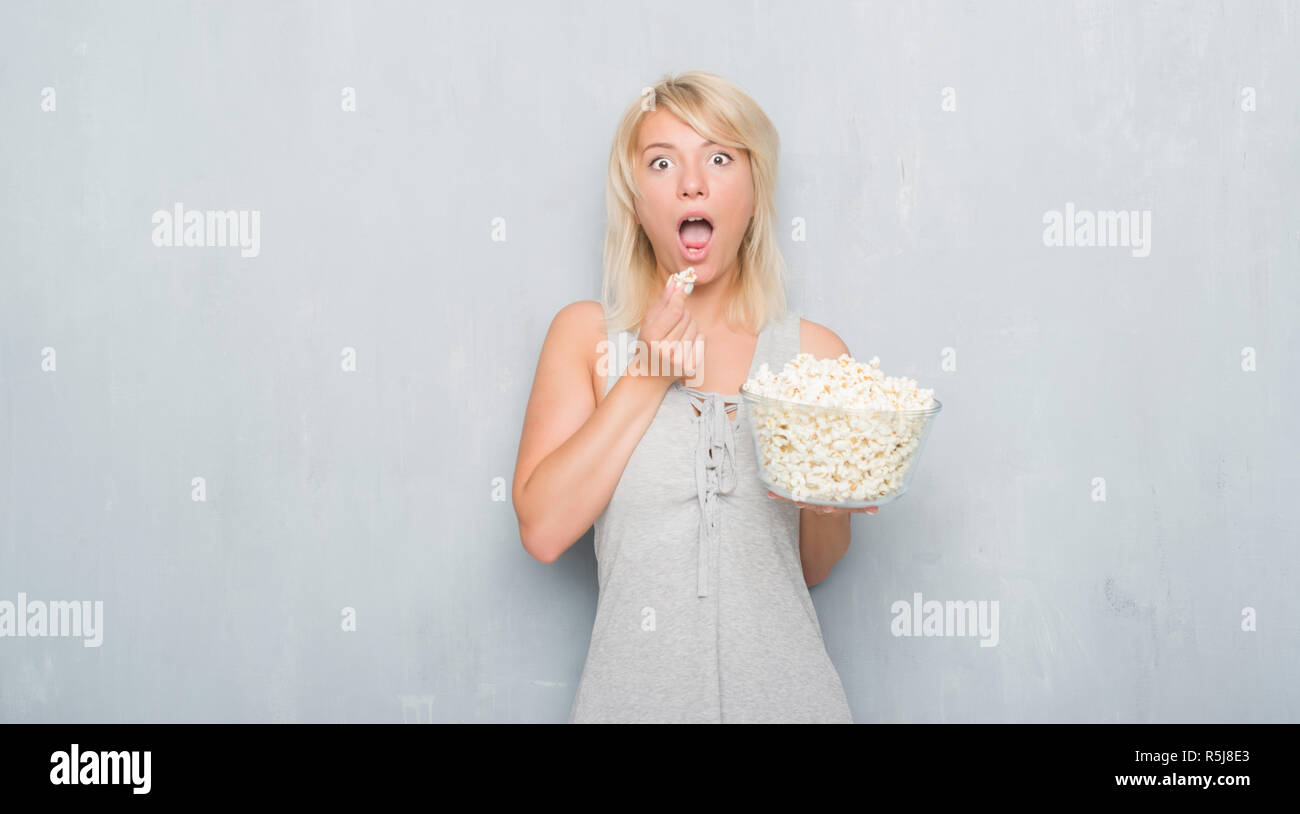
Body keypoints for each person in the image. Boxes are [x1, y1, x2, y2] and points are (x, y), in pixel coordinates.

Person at [512, 71, 873, 723]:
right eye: (661, 162)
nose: (691, 183)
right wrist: (648, 372)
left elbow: (814, 568)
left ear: (755, 191)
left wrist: (825, 499)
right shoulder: (585, 339)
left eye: (719, 157)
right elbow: (542, 529)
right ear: (637, 201)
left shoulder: (815, 355)